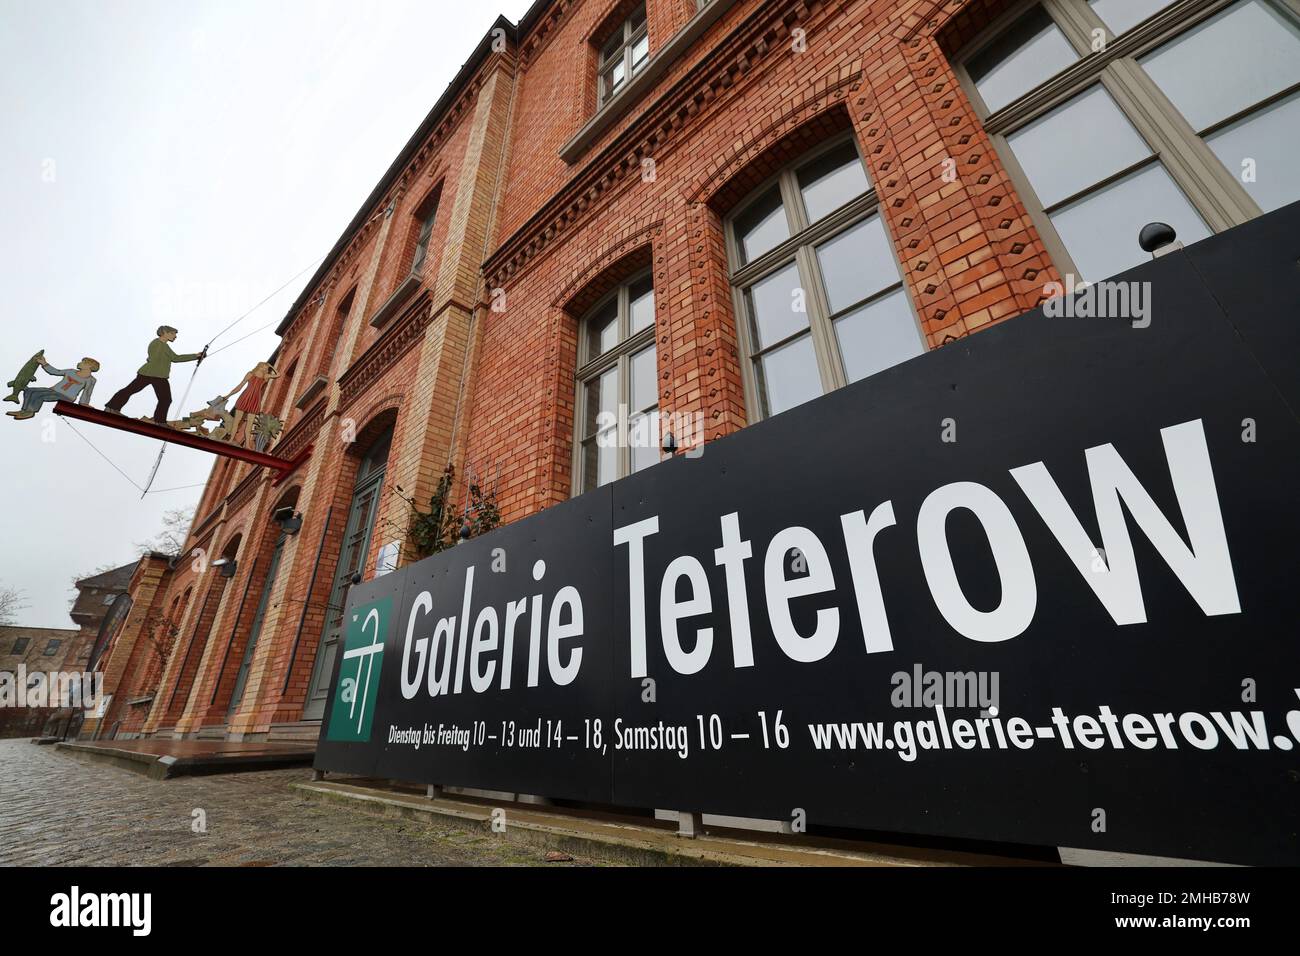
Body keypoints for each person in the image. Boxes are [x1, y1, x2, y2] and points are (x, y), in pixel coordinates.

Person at [105, 326, 205, 423]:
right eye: (172, 333)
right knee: (162, 398)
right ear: (165, 332)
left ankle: (113, 408)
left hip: (154, 375)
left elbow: (174, 358)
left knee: (137, 391)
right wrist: (196, 356)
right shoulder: (158, 343)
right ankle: (112, 408)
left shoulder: (163, 345)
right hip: (153, 374)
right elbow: (171, 358)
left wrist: (196, 356)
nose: (175, 336)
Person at [5, 355, 100, 420]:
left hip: (66, 396)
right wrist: (44, 363)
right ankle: (23, 410)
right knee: (30, 390)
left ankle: (30, 411)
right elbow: (55, 371)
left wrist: (84, 404)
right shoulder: (71, 371)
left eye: (83, 362)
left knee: (39, 395)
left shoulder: (91, 380)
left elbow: (87, 392)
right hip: (53, 390)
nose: (80, 363)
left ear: (90, 366)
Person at [222, 361, 280, 447]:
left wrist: (271, 366)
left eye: (266, 368)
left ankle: (247, 445)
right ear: (260, 366)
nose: (266, 368)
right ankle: (231, 440)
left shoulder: (266, 376)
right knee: (236, 421)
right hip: (245, 397)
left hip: (255, 399)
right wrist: (228, 395)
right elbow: (240, 386)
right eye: (264, 366)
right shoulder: (250, 374)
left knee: (250, 424)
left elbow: (278, 375)